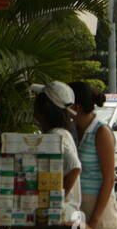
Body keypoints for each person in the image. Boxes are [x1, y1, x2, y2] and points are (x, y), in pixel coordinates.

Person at [70, 81, 117, 229]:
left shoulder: (101, 132)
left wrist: (94, 219)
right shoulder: (72, 132)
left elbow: (109, 179)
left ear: (76, 107)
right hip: (77, 206)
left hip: (100, 207)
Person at [32, 83, 82, 218]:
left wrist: (56, 201)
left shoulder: (56, 136)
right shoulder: (61, 133)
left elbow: (75, 166)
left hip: (63, 215)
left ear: (45, 107)